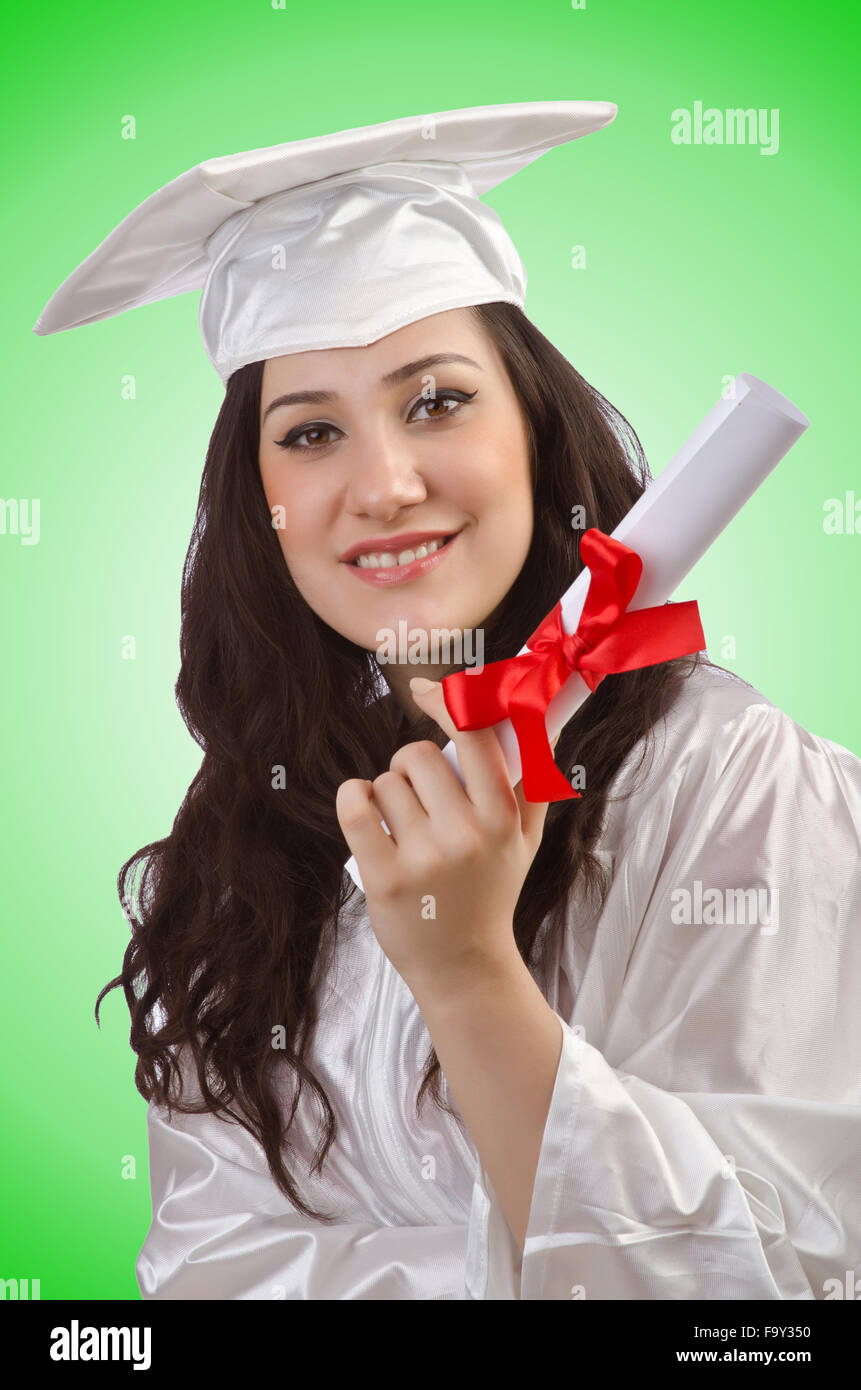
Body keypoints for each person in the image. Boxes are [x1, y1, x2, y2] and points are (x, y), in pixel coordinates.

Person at [36, 103, 861, 1300]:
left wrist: (468, 969)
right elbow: (209, 1273)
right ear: (256, 503)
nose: (383, 483)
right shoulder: (238, 851)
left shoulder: (736, 787)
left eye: (436, 400)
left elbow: (763, 1296)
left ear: (533, 425)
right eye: (310, 431)